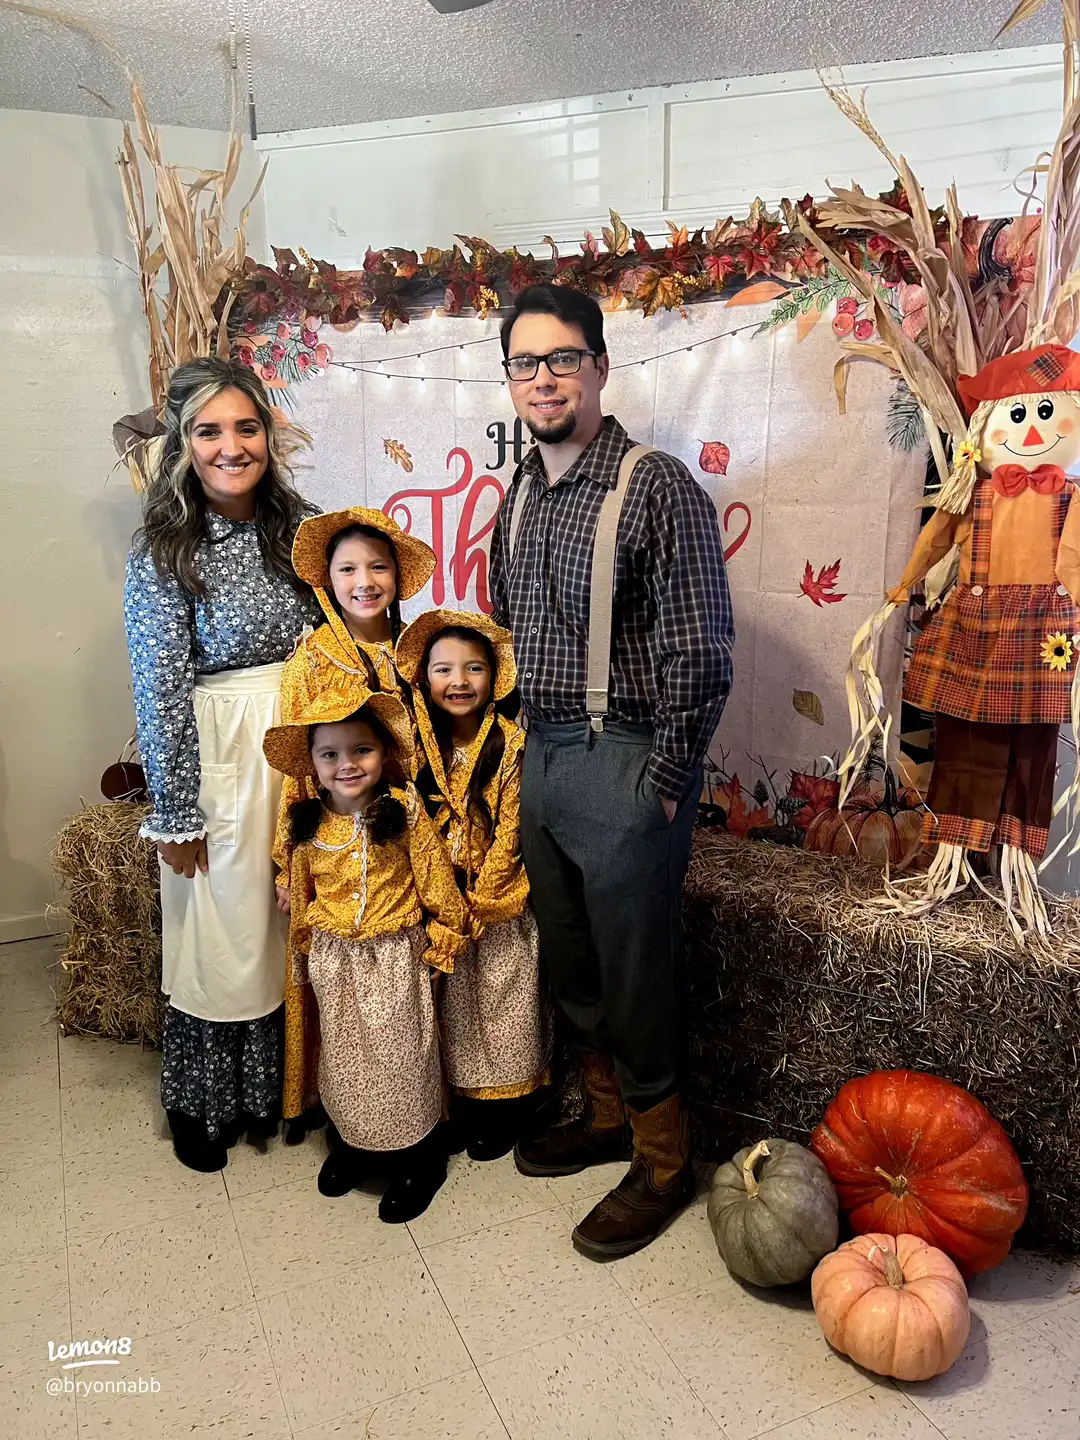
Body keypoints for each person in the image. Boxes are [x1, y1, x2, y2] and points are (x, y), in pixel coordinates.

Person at [488, 283, 734, 1259]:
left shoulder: (657, 485)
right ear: (509, 380)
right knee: (574, 959)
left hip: (627, 761)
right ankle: (602, 1117)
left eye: (561, 359)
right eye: (524, 363)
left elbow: (701, 652)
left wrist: (665, 783)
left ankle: (664, 1159)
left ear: (598, 366)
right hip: (541, 757)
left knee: (636, 972)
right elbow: (510, 631)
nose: (542, 378)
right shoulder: (520, 493)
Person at [123, 356, 321, 1173]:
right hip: (222, 752)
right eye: (210, 431)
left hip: (304, 745)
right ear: (183, 442)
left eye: (246, 428)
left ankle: (285, 1088)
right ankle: (205, 1100)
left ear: (268, 435)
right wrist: (174, 808)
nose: (231, 446)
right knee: (221, 926)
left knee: (289, 921)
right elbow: (158, 681)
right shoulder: (165, 549)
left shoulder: (299, 526)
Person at [264, 693, 468, 1221]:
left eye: (361, 750)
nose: (346, 764)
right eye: (329, 754)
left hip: (395, 959)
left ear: (384, 754)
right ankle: (353, 1144)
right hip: (337, 963)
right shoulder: (306, 821)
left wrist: (446, 932)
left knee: (402, 1056)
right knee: (346, 1057)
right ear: (312, 763)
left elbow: (433, 877)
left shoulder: (402, 811)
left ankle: (419, 1159)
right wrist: (288, 886)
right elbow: (297, 873)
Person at [273, 507, 437, 1143]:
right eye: (348, 568)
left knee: (413, 991)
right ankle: (345, 1117)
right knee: (346, 997)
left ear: (398, 575)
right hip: (339, 846)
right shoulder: (312, 659)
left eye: (378, 566)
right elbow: (297, 774)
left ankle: (422, 1117)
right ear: (327, 581)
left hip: (418, 829)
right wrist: (290, 858)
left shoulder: (419, 647)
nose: (364, 580)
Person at [396, 609, 551, 1162]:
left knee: (503, 1004)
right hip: (444, 905)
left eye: (473, 669)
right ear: (424, 678)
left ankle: (509, 1110)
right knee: (457, 1008)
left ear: (495, 677)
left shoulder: (512, 745)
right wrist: (442, 899)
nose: (458, 682)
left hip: (496, 903)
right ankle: (466, 1103)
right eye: (443, 669)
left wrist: (484, 898)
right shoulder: (417, 748)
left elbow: (512, 828)